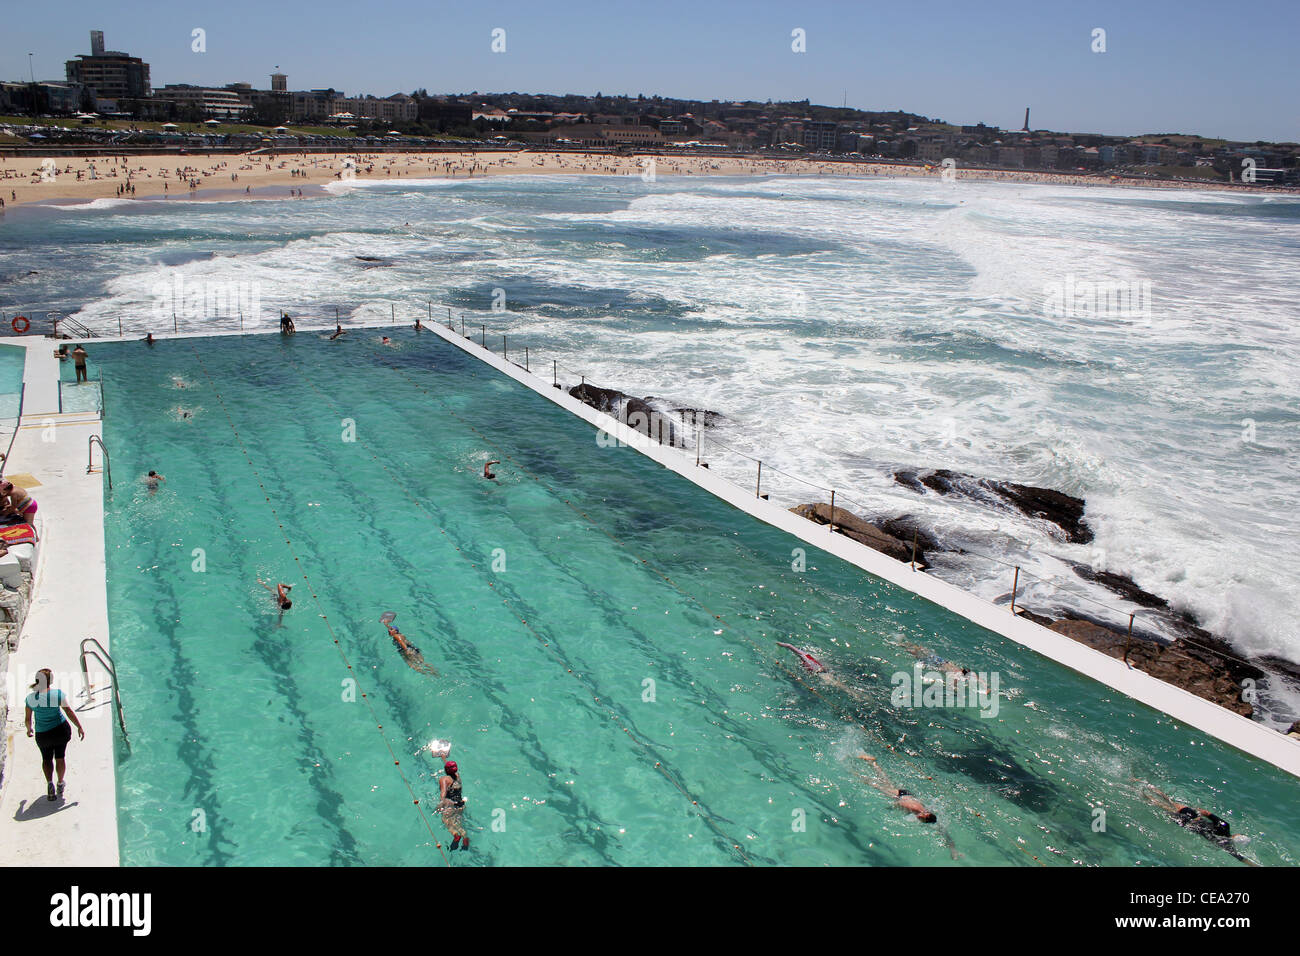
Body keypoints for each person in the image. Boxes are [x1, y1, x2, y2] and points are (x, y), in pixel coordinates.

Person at [1137, 781, 1257, 865]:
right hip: (1188, 825)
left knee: (1169, 801)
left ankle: (1147, 785)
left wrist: (1199, 810)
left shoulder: (1225, 826)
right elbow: (1241, 859)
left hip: (1193, 817)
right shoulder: (1225, 845)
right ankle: (1143, 795)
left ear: (1236, 835)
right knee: (1161, 806)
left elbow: (1205, 812)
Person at [25, 668, 86, 801]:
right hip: (60, 731)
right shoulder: (57, 695)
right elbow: (68, 711)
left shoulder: (30, 699)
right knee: (60, 757)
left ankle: (49, 783)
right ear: (49, 681)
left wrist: (29, 729)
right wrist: (79, 726)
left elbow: (28, 719)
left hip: (42, 734)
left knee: (46, 759)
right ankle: (60, 783)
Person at [857, 755, 943, 825]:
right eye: (921, 818)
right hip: (900, 796)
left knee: (886, 783)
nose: (919, 819)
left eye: (922, 821)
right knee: (876, 785)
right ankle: (859, 772)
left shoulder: (923, 811)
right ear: (925, 814)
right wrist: (891, 807)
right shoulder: (915, 809)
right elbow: (901, 803)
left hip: (906, 794)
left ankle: (873, 763)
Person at [438, 760, 470, 850]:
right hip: (461, 804)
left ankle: (456, 835)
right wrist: (443, 757)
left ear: (446, 770)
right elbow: (450, 770)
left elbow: (443, 793)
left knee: (447, 821)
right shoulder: (457, 776)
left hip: (450, 805)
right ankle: (465, 837)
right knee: (458, 822)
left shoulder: (444, 779)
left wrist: (441, 803)